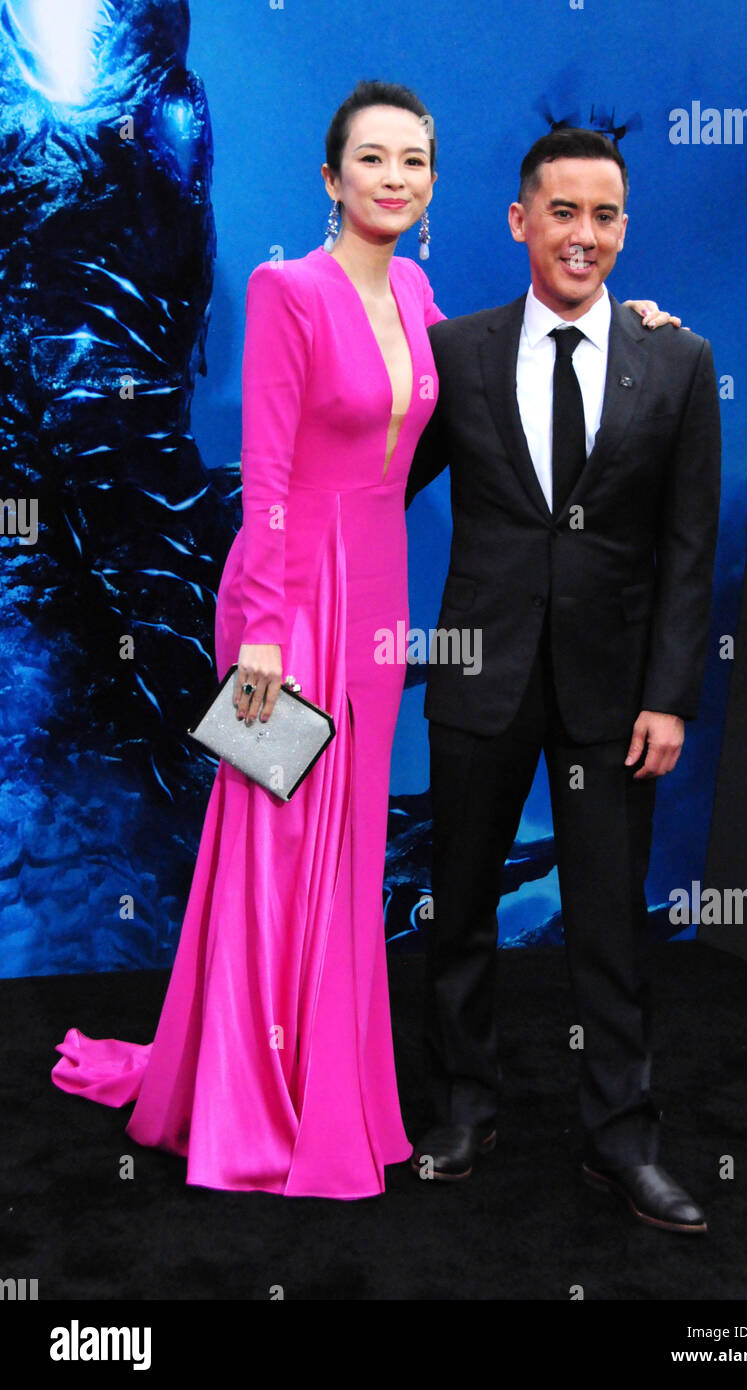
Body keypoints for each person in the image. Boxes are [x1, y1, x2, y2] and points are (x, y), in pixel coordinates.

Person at [51, 86, 680, 1201]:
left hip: (381, 599)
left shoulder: (423, 292)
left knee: (340, 854)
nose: (394, 177)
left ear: (433, 186)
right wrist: (262, 637)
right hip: (290, 598)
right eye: (372, 159)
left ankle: (331, 1089)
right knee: (274, 843)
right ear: (332, 178)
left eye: (414, 161)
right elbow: (274, 482)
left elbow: (478, 399)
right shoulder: (284, 288)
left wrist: (631, 327)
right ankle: (251, 1105)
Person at [405, 127, 721, 1235]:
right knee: (459, 917)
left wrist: (671, 695)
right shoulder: (454, 354)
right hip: (478, 677)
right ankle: (462, 1109)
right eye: (564, 212)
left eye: (606, 216)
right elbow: (369, 484)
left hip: (614, 696)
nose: (584, 236)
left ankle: (621, 1142)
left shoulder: (675, 361)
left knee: (608, 926)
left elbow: (687, 547)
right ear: (519, 221)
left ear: (622, 227)